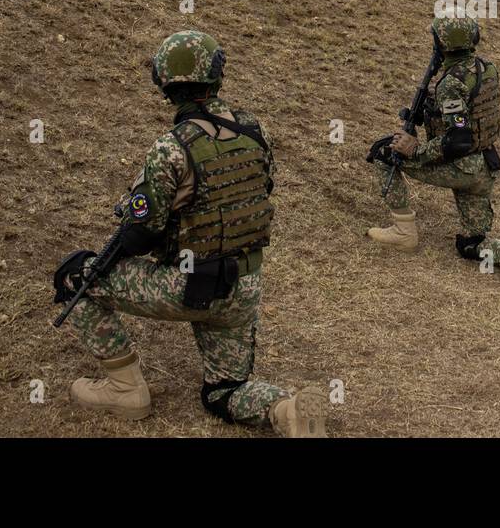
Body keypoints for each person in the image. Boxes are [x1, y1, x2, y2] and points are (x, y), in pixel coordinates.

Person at [54, 31, 326, 436]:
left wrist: (132, 220)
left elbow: (143, 233)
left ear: (166, 86)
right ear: (216, 76)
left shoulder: (170, 148)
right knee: (223, 392)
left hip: (190, 286)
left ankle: (125, 389)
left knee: (76, 275)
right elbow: (262, 188)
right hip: (244, 287)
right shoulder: (254, 130)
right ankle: (285, 411)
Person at [366, 16, 500, 289]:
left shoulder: (450, 84)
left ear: (442, 42)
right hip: (486, 166)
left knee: (385, 153)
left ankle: (403, 232)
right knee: (471, 243)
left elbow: (457, 139)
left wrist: (416, 150)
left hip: (462, 166)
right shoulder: (486, 68)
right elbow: (469, 116)